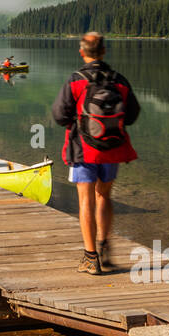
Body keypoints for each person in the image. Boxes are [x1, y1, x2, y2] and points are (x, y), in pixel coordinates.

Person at [51, 32, 141, 275]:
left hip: (83, 148)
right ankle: (104, 245)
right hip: (111, 149)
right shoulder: (119, 81)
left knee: (85, 200)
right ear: (104, 52)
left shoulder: (76, 80)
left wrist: (79, 121)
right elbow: (132, 114)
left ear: (82, 52)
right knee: (104, 196)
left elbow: (59, 116)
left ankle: (91, 258)